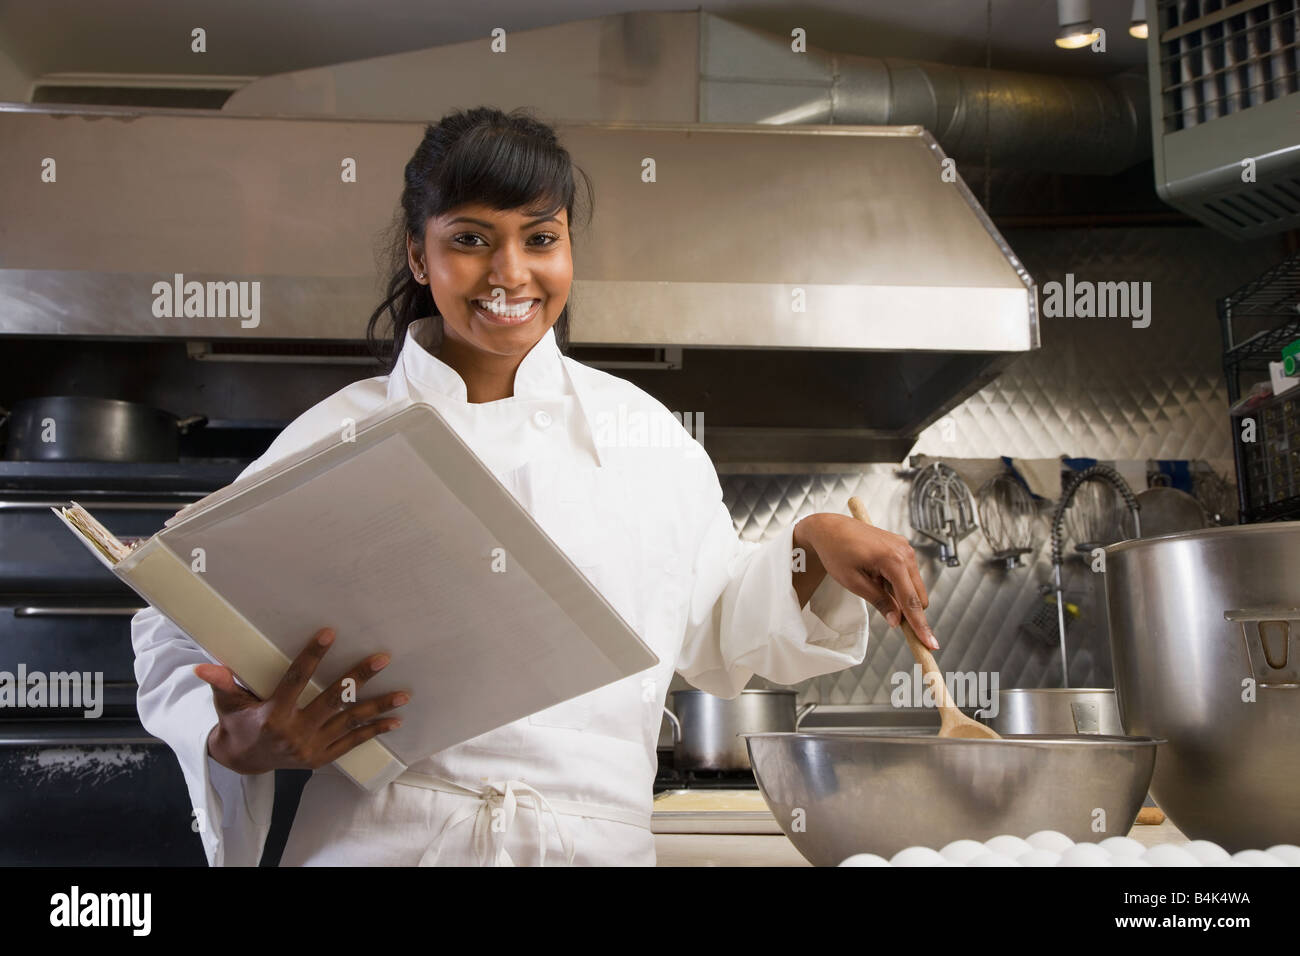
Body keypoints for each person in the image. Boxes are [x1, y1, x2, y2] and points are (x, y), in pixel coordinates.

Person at [132, 106, 936, 867]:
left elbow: (719, 621)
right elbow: (180, 617)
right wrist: (239, 740)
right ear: (421, 255)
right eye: (472, 239)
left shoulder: (641, 433)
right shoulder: (335, 435)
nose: (509, 273)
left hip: (590, 846)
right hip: (384, 842)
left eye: (540, 237)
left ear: (568, 251)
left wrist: (813, 545)